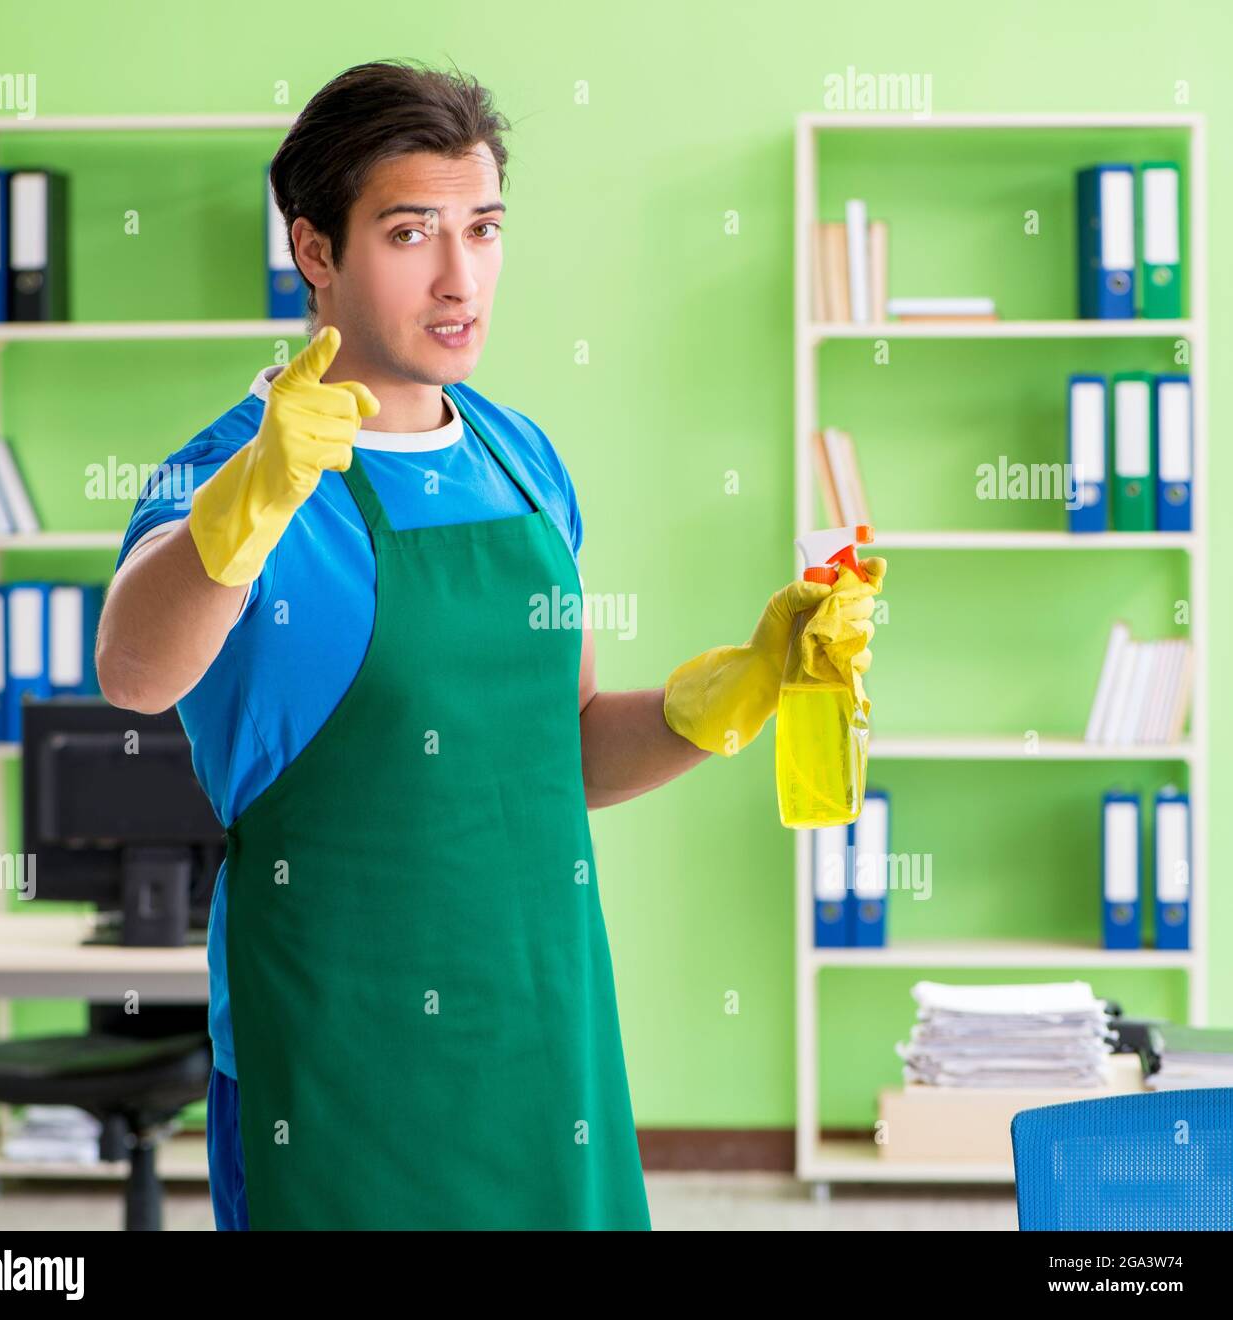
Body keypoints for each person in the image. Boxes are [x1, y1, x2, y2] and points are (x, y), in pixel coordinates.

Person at [95, 58, 883, 1231]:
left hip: (541, 1026)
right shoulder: (228, 471)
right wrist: (257, 495)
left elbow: (555, 752)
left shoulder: (523, 462)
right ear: (316, 252)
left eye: (485, 229)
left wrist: (734, 690)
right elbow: (133, 671)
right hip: (332, 1051)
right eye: (411, 233)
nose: (460, 277)